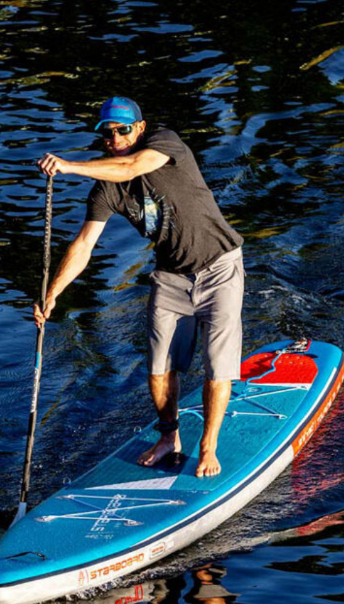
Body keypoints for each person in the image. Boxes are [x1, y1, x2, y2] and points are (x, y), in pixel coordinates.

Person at [34, 97, 244, 478]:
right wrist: (53, 293)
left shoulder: (166, 143)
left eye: (123, 129)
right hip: (170, 276)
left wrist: (66, 166)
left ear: (141, 128)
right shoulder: (106, 191)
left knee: (217, 366)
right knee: (159, 368)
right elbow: (83, 246)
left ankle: (208, 446)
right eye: (108, 133)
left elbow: (134, 165)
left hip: (219, 268)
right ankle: (169, 438)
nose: (115, 137)